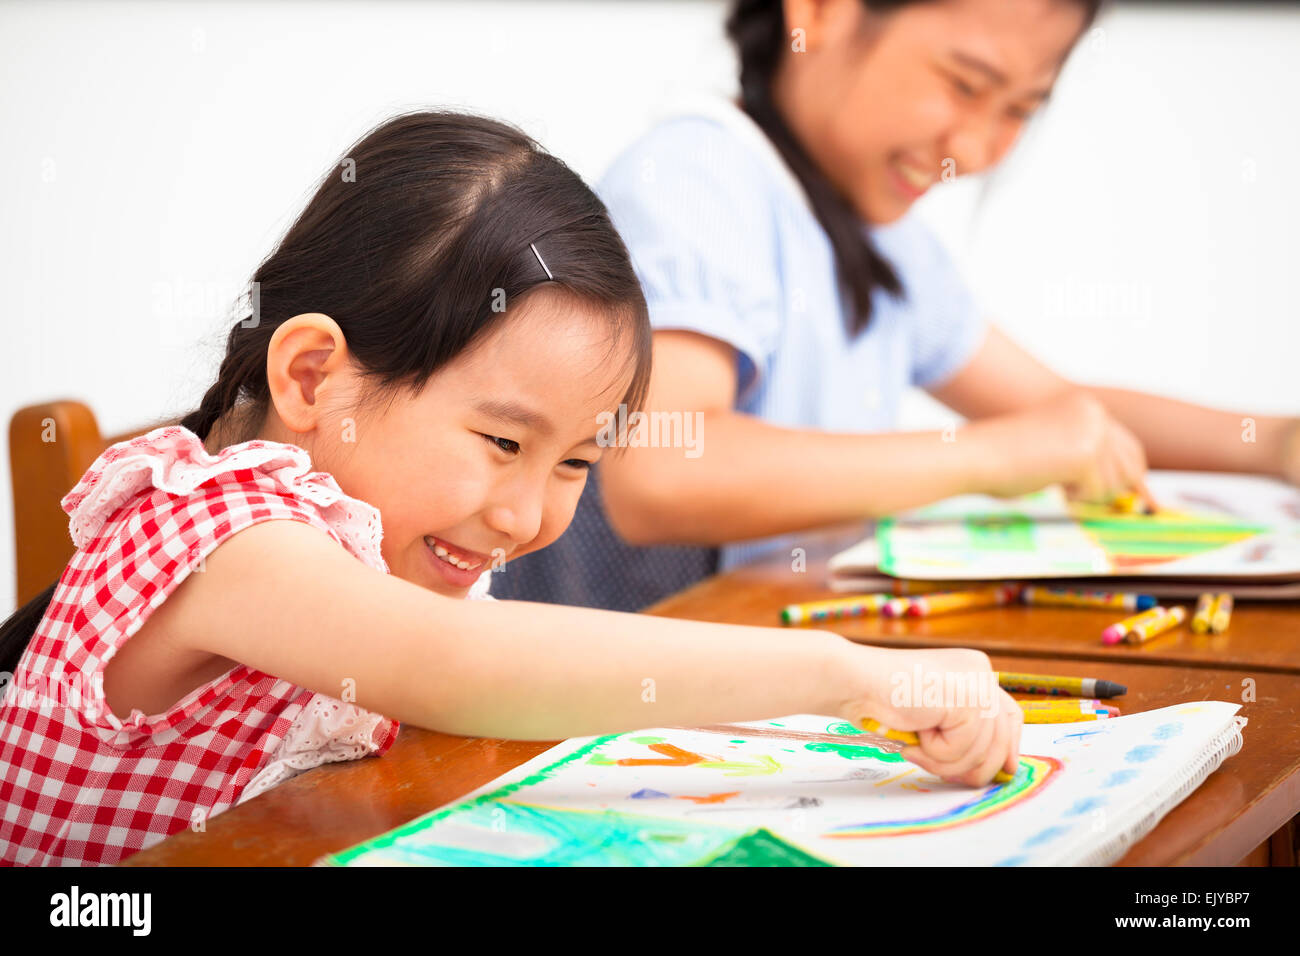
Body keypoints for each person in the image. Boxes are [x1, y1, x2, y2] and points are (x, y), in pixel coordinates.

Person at [0, 110, 1021, 866]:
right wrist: (845, 671)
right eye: (501, 439)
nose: (528, 515)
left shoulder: (385, 537)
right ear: (313, 376)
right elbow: (452, 664)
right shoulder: (226, 535)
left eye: (576, 460)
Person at [493, 0, 1300, 612]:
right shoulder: (697, 178)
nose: (980, 149)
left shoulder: (882, 239)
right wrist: (993, 456)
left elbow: (1061, 414)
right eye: (966, 83)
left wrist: (1272, 443)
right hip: (617, 720)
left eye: (1020, 108)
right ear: (819, 12)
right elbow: (663, 472)